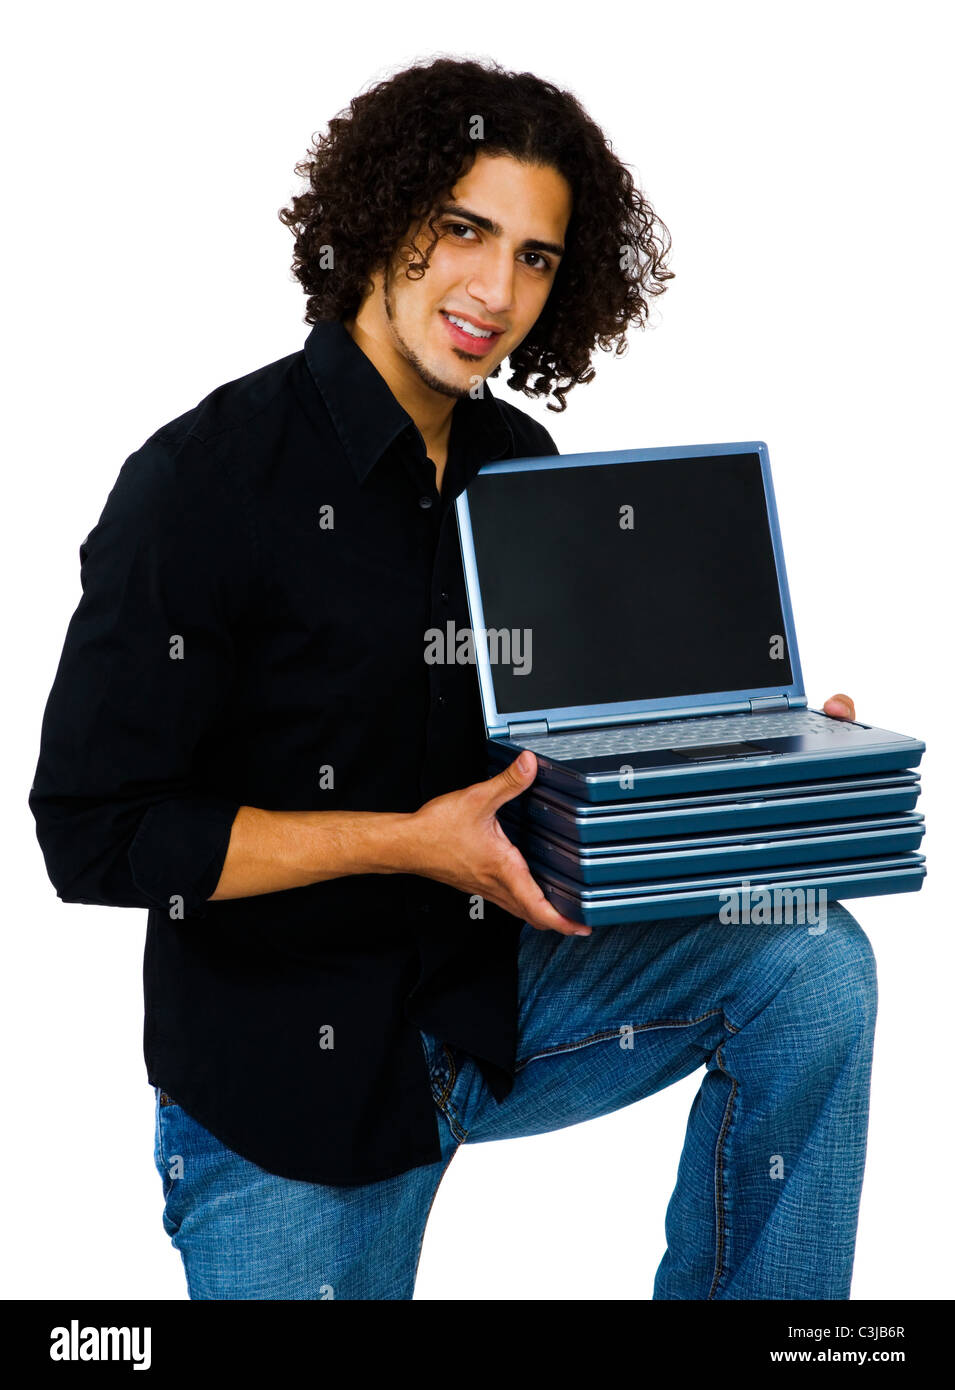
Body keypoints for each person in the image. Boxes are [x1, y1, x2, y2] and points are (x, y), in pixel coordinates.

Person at [28, 56, 871, 1301]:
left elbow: (553, 741)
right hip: (290, 1085)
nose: (495, 288)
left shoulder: (516, 466)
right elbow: (93, 835)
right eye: (464, 228)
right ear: (383, 214)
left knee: (804, 958)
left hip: (491, 993)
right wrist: (404, 843)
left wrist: (748, 757)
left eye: (535, 256)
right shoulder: (202, 483)